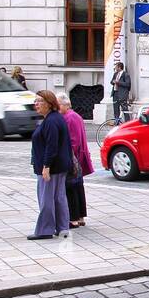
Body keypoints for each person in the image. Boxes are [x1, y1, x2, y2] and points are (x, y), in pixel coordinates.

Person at [28, 90, 72, 240]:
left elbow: (51, 146)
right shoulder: (55, 118)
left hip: (51, 167)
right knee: (59, 197)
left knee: (46, 198)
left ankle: (45, 229)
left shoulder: (51, 121)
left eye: (39, 101)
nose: (36, 104)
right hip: (59, 166)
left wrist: (46, 166)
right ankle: (62, 227)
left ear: (49, 103)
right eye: (35, 101)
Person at [60, 96, 94, 229]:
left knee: (72, 188)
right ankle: (79, 217)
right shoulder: (74, 116)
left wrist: (68, 157)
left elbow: (74, 140)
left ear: (65, 105)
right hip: (77, 157)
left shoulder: (70, 117)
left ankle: (74, 217)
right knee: (77, 187)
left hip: (74, 158)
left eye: (58, 105)